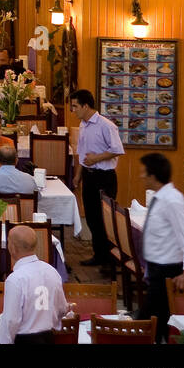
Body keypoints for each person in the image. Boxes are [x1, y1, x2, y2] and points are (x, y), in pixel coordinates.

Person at [137, 152, 184, 342]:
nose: (141, 176)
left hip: (167, 272)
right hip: (156, 269)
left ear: (153, 176)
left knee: (149, 323)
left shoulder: (172, 200)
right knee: (158, 322)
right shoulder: (160, 197)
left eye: (144, 173)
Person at [70, 88, 124, 269]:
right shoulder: (83, 125)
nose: (73, 110)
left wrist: (96, 158)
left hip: (104, 176)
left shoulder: (106, 125)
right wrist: (78, 175)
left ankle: (110, 259)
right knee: (92, 218)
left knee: (104, 219)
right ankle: (98, 254)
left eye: (75, 106)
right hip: (89, 175)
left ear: (86, 106)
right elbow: (82, 153)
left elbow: (117, 149)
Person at [0, 225, 67, 344]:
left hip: (24, 340)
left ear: (12, 248)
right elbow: (62, 309)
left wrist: (2, 342)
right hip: (48, 337)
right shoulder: (52, 271)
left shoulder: (16, 279)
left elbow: (11, 320)